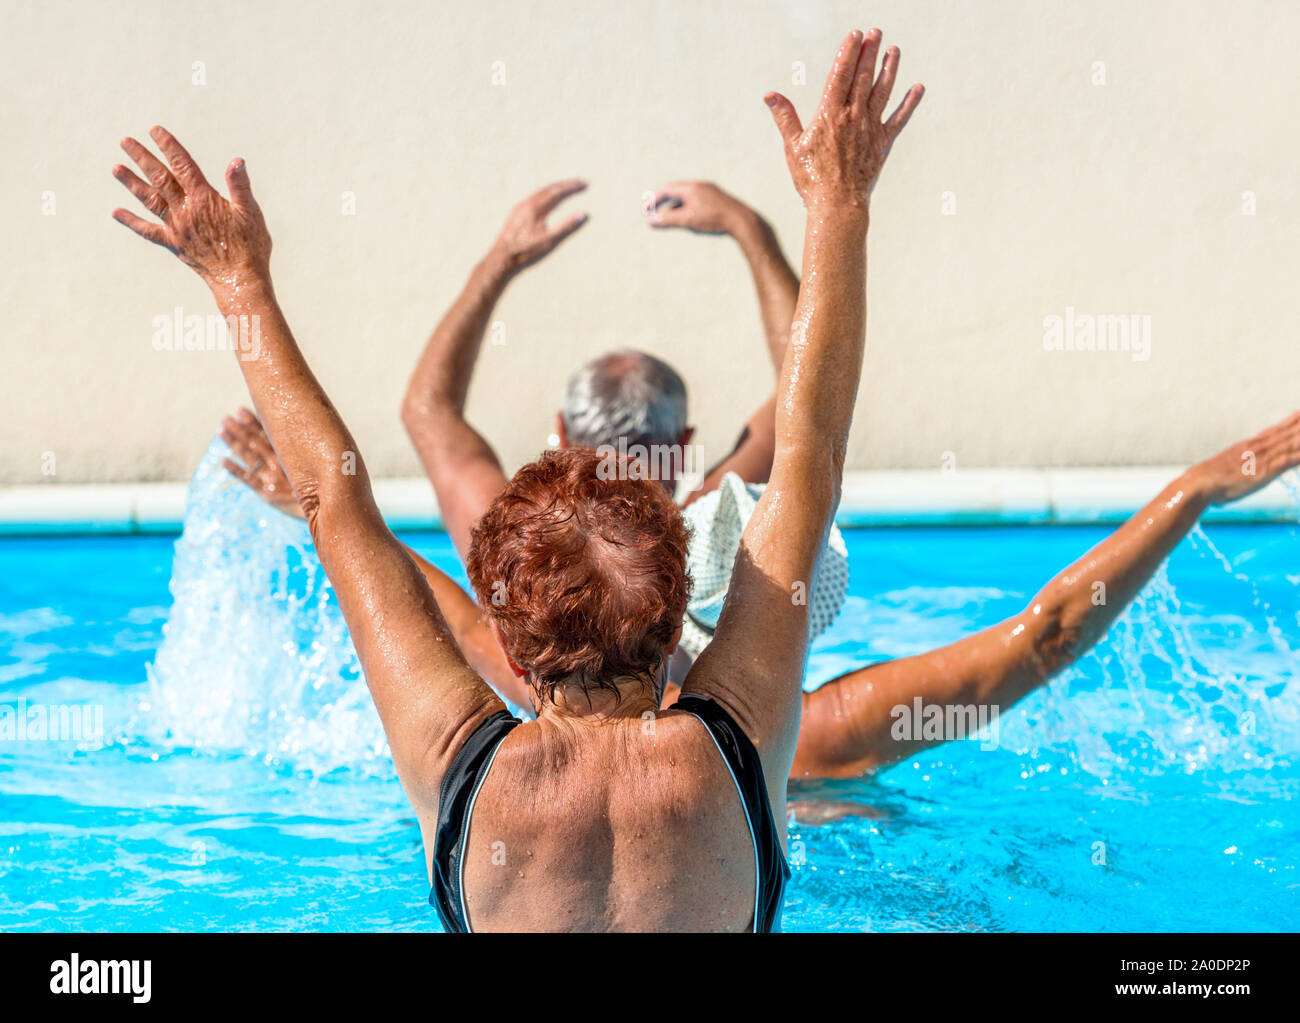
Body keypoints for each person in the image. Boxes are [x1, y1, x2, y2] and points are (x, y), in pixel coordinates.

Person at [115, 28, 923, 931]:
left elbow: (331, 499)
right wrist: (839, 204)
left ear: (505, 636)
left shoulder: (463, 776)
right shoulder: (740, 744)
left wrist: (238, 281)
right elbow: (811, 453)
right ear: (675, 613)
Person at [221, 144, 1300, 785]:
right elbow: (818, 435)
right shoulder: (785, 741)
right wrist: (1196, 486)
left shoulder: (486, 705)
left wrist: (307, 486)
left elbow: (379, 539)